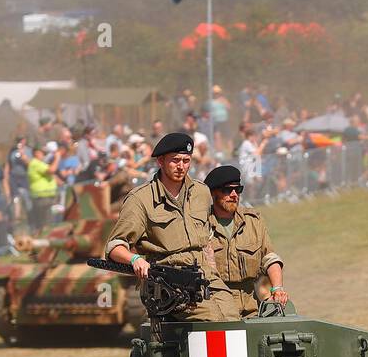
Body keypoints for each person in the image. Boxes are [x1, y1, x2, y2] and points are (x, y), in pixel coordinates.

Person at [104, 132, 237, 322]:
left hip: (206, 277)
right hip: (169, 283)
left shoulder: (201, 192)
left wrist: (211, 266)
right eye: (175, 160)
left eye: (186, 160)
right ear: (160, 161)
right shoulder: (141, 199)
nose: (181, 166)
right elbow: (114, 246)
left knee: (234, 320)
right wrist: (135, 259)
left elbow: (208, 236)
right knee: (212, 321)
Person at [202, 164, 285, 318]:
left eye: (237, 190)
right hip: (216, 306)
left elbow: (269, 257)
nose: (234, 194)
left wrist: (277, 288)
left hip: (252, 306)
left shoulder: (253, 221)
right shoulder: (201, 225)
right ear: (213, 193)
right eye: (227, 190)